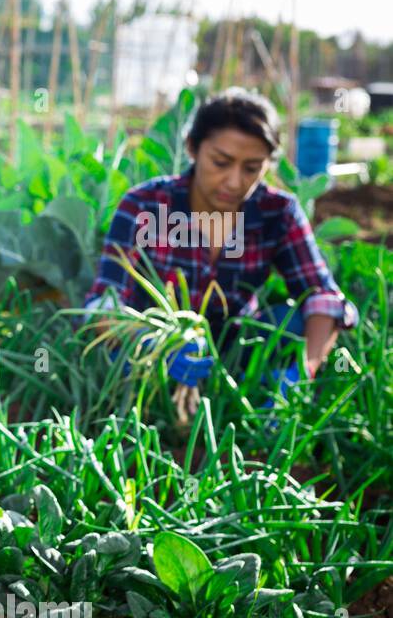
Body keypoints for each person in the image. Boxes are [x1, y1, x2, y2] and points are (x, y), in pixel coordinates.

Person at [82, 87, 359, 421]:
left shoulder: (278, 212)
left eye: (251, 168)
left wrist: (303, 373)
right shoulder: (146, 205)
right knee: (118, 360)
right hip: (148, 353)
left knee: (294, 322)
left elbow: (323, 297)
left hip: (234, 349)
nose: (233, 181)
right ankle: (149, 413)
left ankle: (250, 406)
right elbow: (103, 306)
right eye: (221, 162)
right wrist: (158, 344)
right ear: (192, 149)